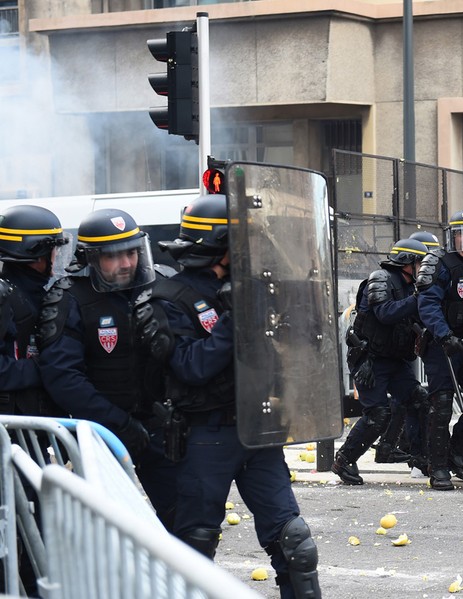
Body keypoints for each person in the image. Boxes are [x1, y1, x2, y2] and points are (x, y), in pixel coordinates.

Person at [135, 194, 321, 598]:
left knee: (296, 545)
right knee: (194, 549)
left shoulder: (250, 289)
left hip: (258, 430)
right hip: (206, 435)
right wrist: (237, 320)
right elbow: (191, 367)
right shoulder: (169, 298)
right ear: (220, 244)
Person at [37, 208, 179, 528]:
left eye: (131, 252)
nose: (126, 263)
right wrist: (118, 424)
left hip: (160, 428)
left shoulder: (160, 285)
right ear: (91, 258)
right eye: (113, 257)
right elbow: (63, 377)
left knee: (187, 523)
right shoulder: (69, 297)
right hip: (102, 433)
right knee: (108, 530)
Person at [333, 237, 429, 485]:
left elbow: (413, 319)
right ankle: (344, 459)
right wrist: (417, 299)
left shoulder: (411, 287)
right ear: (407, 262)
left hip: (395, 360)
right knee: (377, 414)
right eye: (420, 263)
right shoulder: (380, 279)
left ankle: (421, 458)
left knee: (419, 400)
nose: (423, 268)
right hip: (370, 361)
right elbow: (386, 313)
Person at [416, 210, 463, 490]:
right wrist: (444, 335)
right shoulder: (438, 262)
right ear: (452, 236)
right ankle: (437, 467)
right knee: (441, 404)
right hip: (442, 345)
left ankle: (456, 450)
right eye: (461, 234)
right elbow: (428, 303)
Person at [0, 206, 68, 416]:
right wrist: (47, 369)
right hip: (12, 429)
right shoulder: (4, 296)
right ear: (36, 254)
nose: (56, 257)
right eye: (54, 250)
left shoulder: (35, 294)